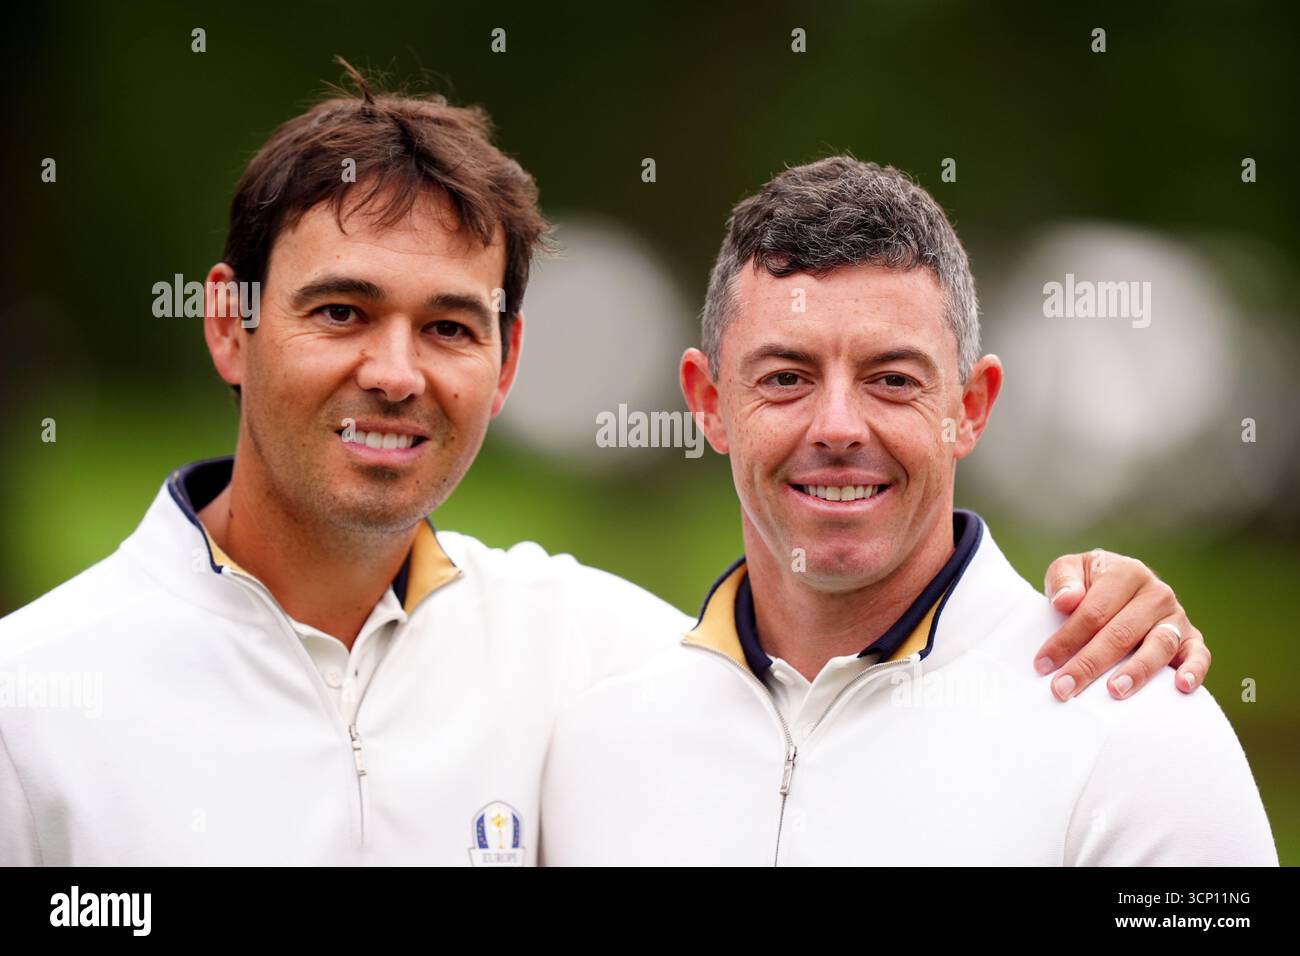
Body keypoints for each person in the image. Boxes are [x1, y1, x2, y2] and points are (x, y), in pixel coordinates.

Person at [0, 68, 1212, 866]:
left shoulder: (595, 656)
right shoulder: (33, 698)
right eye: (340, 311)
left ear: (507, 358)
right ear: (229, 322)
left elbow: (825, 653)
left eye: (449, 327)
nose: (394, 370)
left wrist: (1112, 601)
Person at [539, 157, 1276, 866]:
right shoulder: (593, 746)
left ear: (970, 408)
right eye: (786, 377)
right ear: (709, 405)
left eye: (892, 379)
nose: (837, 426)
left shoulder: (1133, 731)